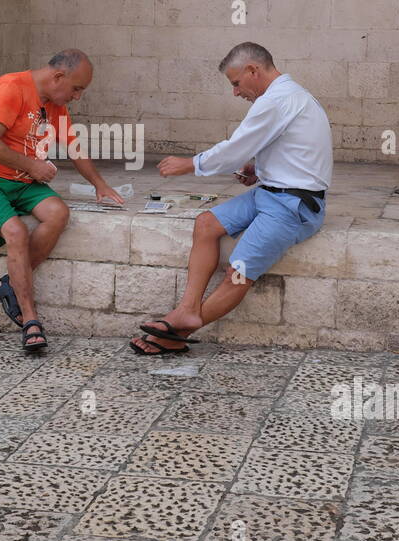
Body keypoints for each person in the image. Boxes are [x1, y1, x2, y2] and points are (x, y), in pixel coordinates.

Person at [130, 42, 332, 354]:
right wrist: (259, 170)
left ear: (254, 70)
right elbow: (290, 149)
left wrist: (191, 164)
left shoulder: (278, 100)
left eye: (236, 83)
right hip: (270, 193)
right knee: (206, 224)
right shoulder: (287, 96)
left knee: (237, 272)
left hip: (293, 206)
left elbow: (236, 147)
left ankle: (173, 335)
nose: (235, 93)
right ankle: (186, 308)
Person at [0, 49, 124, 351]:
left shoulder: (54, 104)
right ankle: (30, 318)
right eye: (76, 88)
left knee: (58, 212)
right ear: (58, 76)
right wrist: (33, 166)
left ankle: (9, 284)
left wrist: (100, 185)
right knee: (16, 232)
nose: (78, 97)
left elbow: (73, 147)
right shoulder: (11, 88)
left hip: (22, 182)